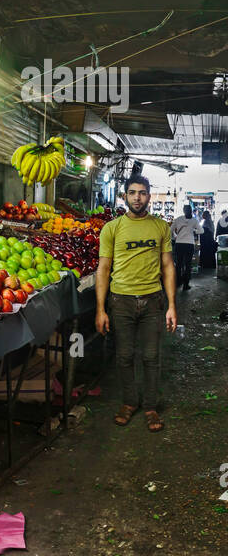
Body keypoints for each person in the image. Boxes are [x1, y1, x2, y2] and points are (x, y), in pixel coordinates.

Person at [94, 174, 179, 431]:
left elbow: (167, 266)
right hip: (121, 302)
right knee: (124, 356)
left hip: (153, 301)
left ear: (149, 196)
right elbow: (103, 268)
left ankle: (151, 407)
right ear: (125, 196)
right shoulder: (112, 228)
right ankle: (130, 403)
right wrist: (100, 309)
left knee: (152, 357)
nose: (137, 197)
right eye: (132, 193)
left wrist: (172, 305)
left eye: (142, 193)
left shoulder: (161, 227)